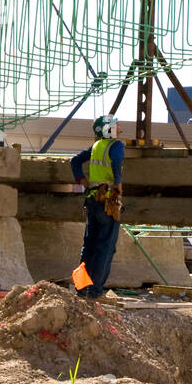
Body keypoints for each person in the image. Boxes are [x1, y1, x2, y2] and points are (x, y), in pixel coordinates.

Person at [69, 114, 124, 298]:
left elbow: (75, 161)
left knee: (89, 246)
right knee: (105, 247)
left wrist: (82, 181)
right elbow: (116, 164)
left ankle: (81, 288)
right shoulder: (116, 146)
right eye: (116, 126)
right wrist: (118, 185)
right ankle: (94, 293)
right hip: (107, 201)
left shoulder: (96, 147)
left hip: (92, 199)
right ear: (109, 129)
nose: (119, 128)